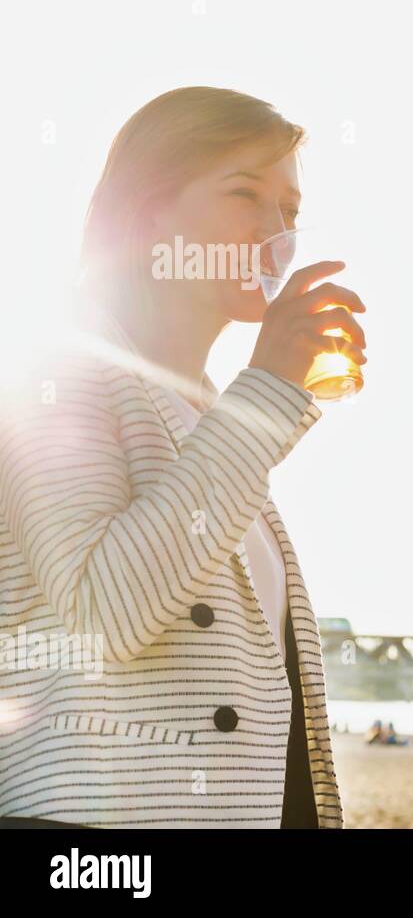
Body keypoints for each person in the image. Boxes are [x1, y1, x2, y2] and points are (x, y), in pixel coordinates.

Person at [0, 87, 364, 828]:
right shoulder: (58, 373)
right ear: (146, 213)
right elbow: (103, 616)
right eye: (244, 194)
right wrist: (264, 399)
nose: (275, 232)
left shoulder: (204, 407)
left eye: (289, 211)